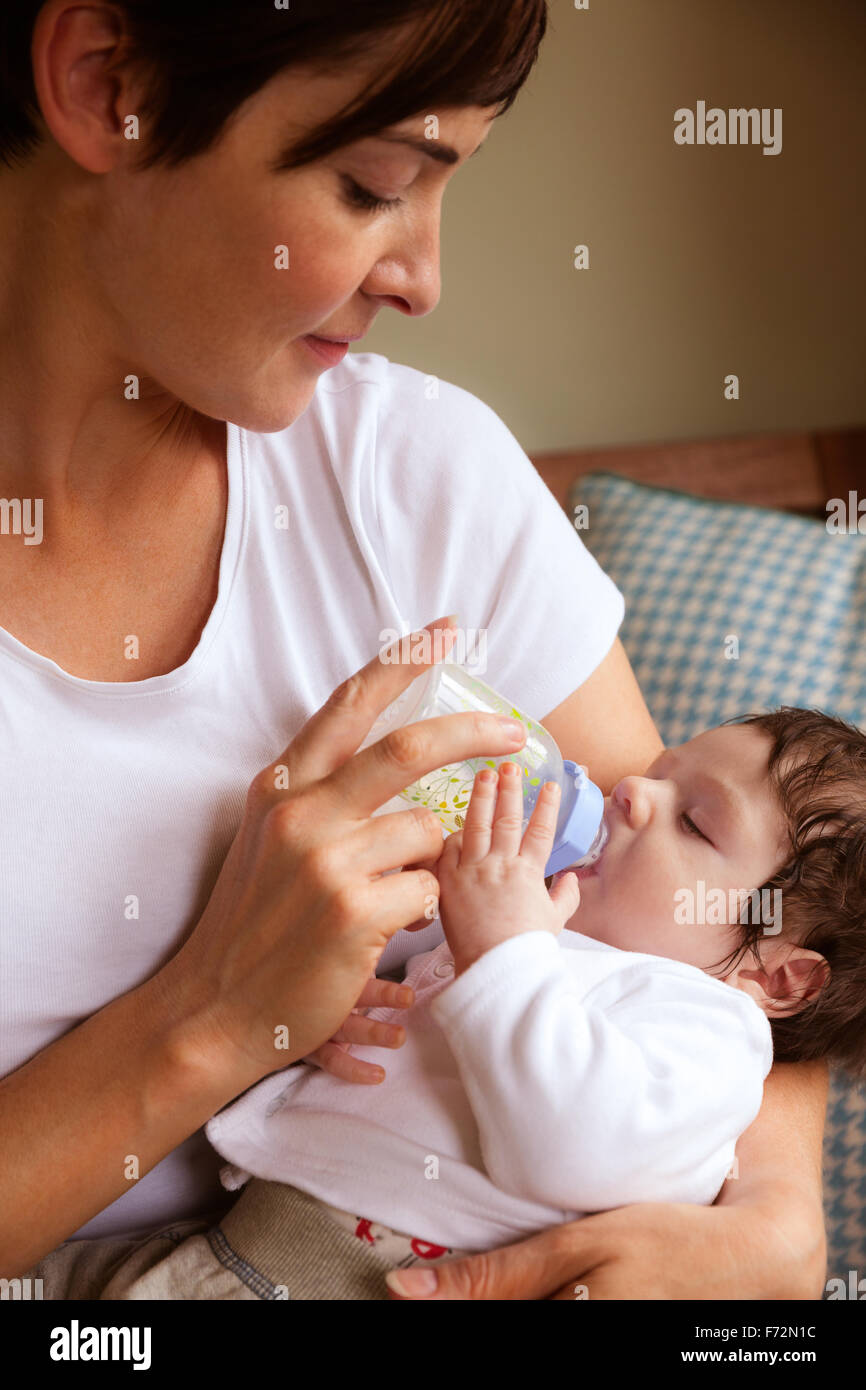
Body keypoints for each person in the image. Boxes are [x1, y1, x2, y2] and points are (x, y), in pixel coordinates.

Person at [0, 1, 827, 1300]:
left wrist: (777, 1219)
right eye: (370, 183)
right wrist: (216, 1011)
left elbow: (740, 928)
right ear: (111, 86)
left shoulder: (422, 478)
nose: (422, 279)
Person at [205, 709, 866, 1299]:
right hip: (243, 1237)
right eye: (658, 773)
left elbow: (580, 1145)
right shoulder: (552, 938)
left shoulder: (713, 1033)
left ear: (779, 979)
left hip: (365, 1276)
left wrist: (504, 948)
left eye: (695, 823)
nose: (633, 791)